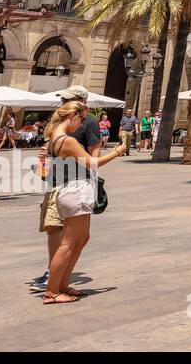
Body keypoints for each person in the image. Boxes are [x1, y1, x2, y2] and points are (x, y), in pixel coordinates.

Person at [38, 101, 128, 303]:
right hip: (75, 190)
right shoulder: (67, 140)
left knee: (82, 238)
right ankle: (52, 291)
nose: (81, 125)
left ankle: (62, 285)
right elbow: (92, 163)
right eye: (81, 119)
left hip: (75, 190)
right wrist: (116, 152)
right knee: (69, 243)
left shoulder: (54, 137)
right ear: (72, 116)